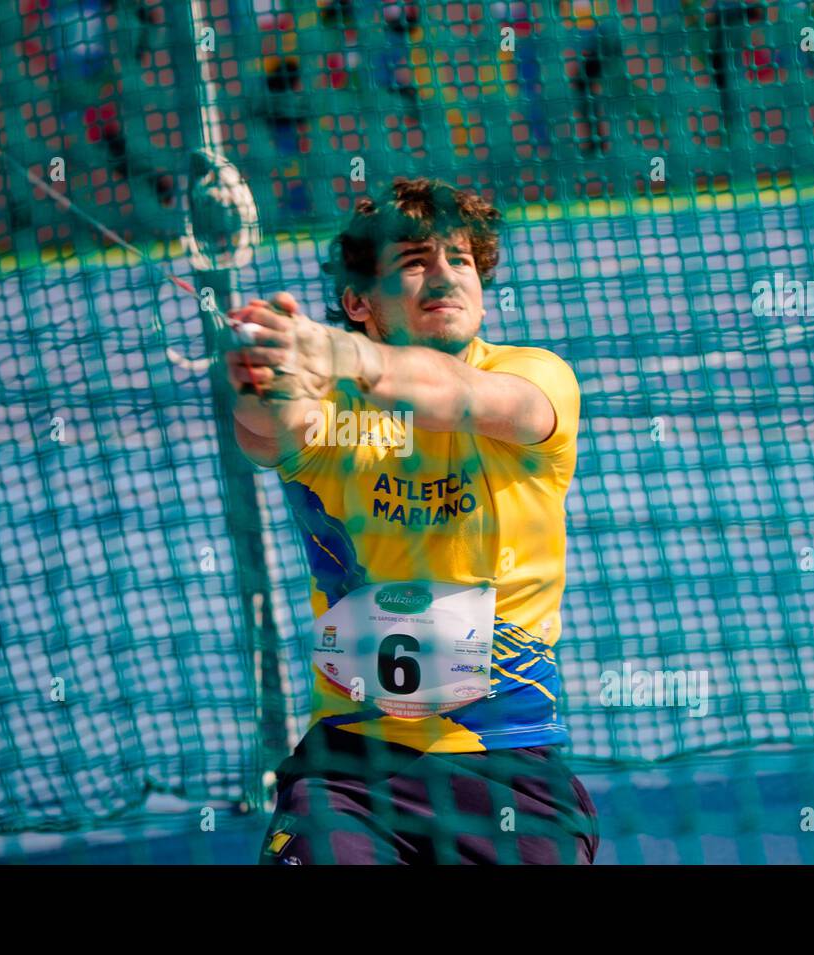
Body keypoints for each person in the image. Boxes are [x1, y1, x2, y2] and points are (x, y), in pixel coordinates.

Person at [224, 177, 598, 864]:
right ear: (358, 301)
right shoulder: (337, 413)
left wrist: (343, 354)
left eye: (459, 258)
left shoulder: (537, 379)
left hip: (508, 768)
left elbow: (456, 394)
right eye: (415, 261)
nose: (445, 276)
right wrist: (262, 376)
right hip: (350, 775)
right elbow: (270, 430)